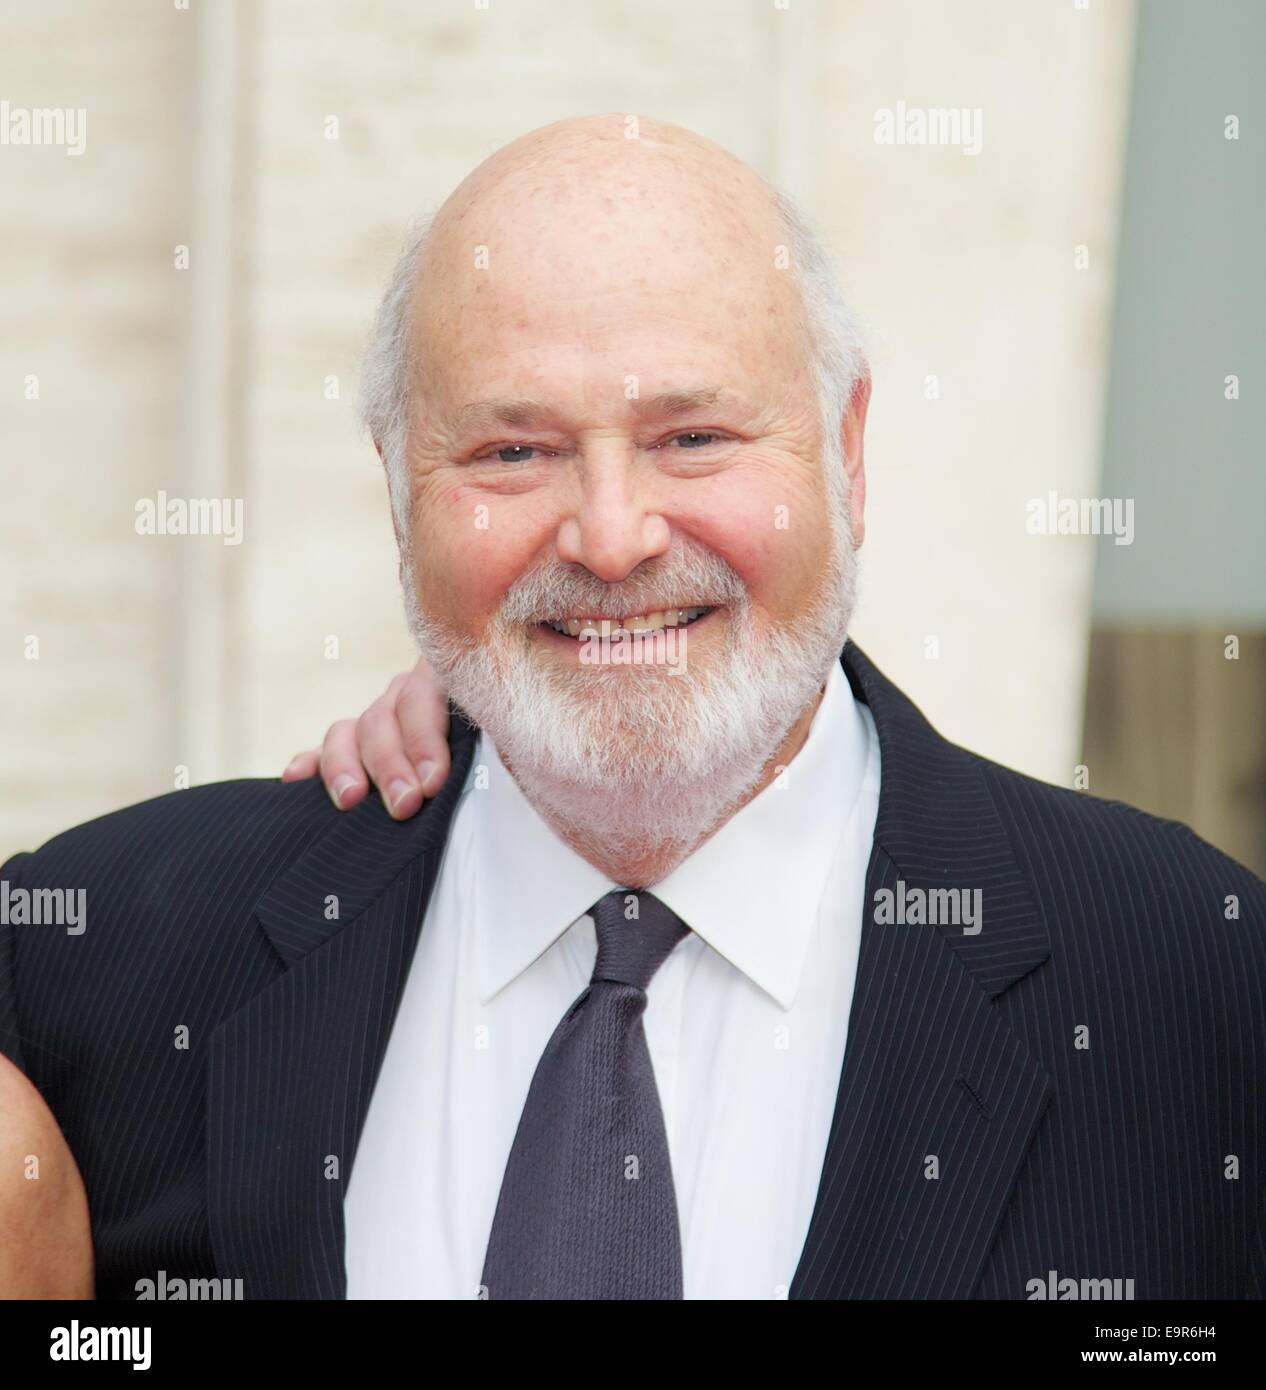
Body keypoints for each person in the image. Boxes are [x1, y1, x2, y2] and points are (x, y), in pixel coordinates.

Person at [3, 114, 1264, 1300]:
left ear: (849, 452)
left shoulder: (1195, 987)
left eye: (696, 436)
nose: (610, 539)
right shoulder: (96, 959)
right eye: (511, 452)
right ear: (398, 490)